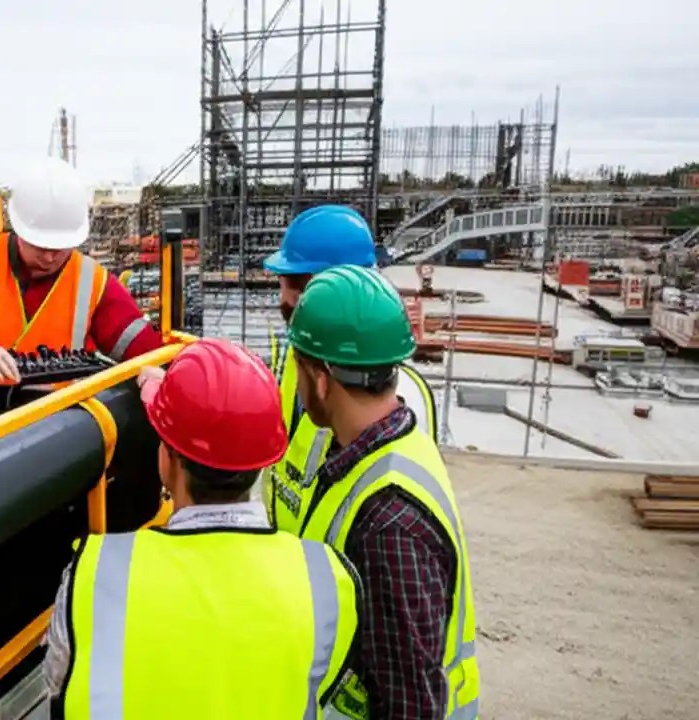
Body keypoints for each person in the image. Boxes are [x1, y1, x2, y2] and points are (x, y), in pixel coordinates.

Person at [43, 337, 361, 719]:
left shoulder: (94, 576)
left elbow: (59, 689)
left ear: (168, 458)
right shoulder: (327, 581)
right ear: (262, 459)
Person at [285, 265, 480, 720]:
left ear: (320, 379)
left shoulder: (389, 524)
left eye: (297, 365)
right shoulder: (395, 444)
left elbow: (409, 704)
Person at [0, 157, 161, 436]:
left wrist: (152, 367)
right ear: (19, 230)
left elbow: (142, 347)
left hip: (55, 443)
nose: (50, 257)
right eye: (41, 246)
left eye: (60, 248)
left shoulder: (92, 281)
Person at [260, 204, 440, 535]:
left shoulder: (396, 397)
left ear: (321, 290)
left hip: (343, 563)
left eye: (285, 281)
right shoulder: (302, 355)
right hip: (300, 560)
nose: (279, 296)